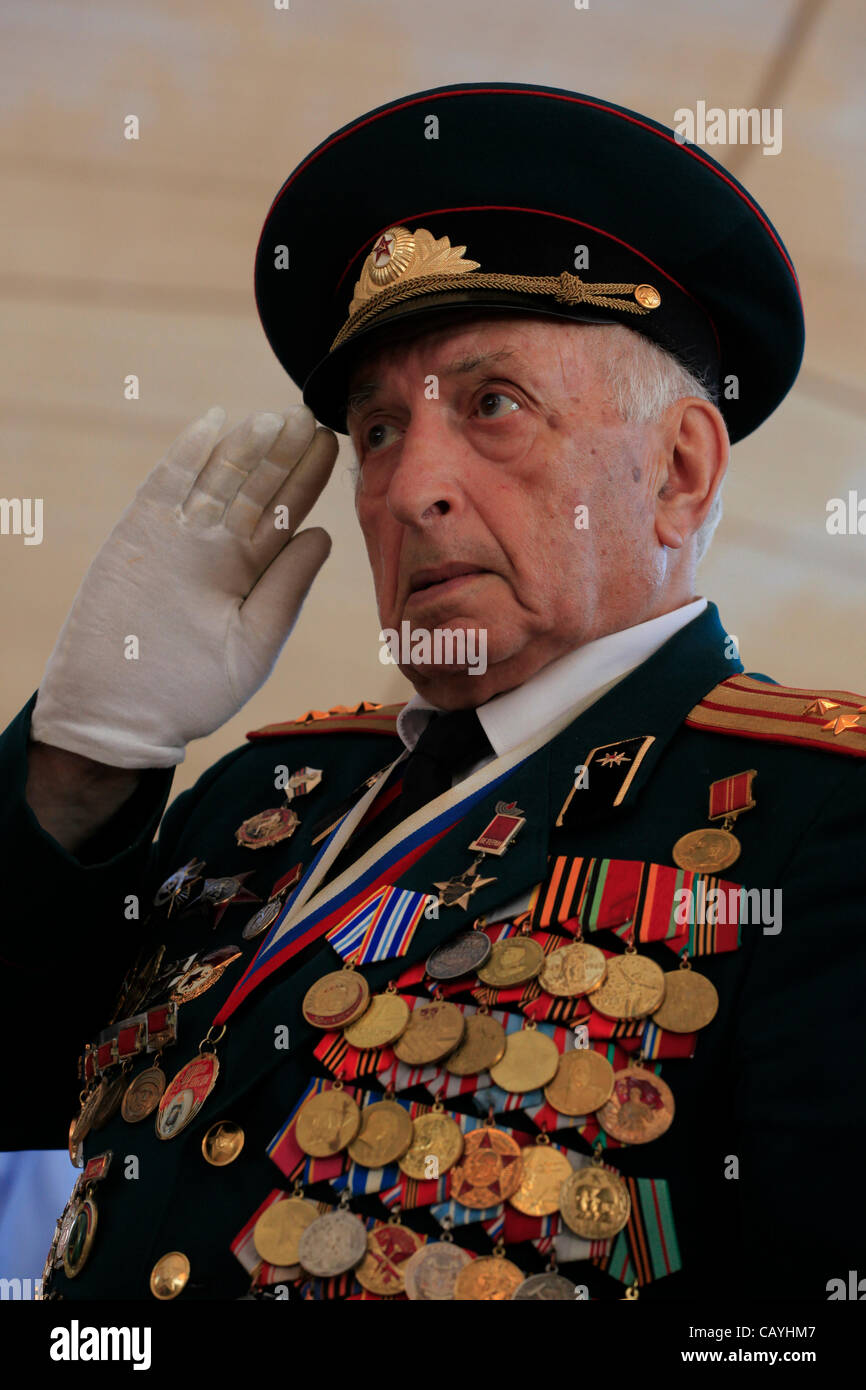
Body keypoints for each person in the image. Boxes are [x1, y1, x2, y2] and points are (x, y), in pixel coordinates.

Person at [2, 81, 864, 1302]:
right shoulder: (267, 802)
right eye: (375, 433)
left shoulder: (817, 829)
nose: (409, 490)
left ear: (676, 470)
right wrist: (83, 758)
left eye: (490, 406)